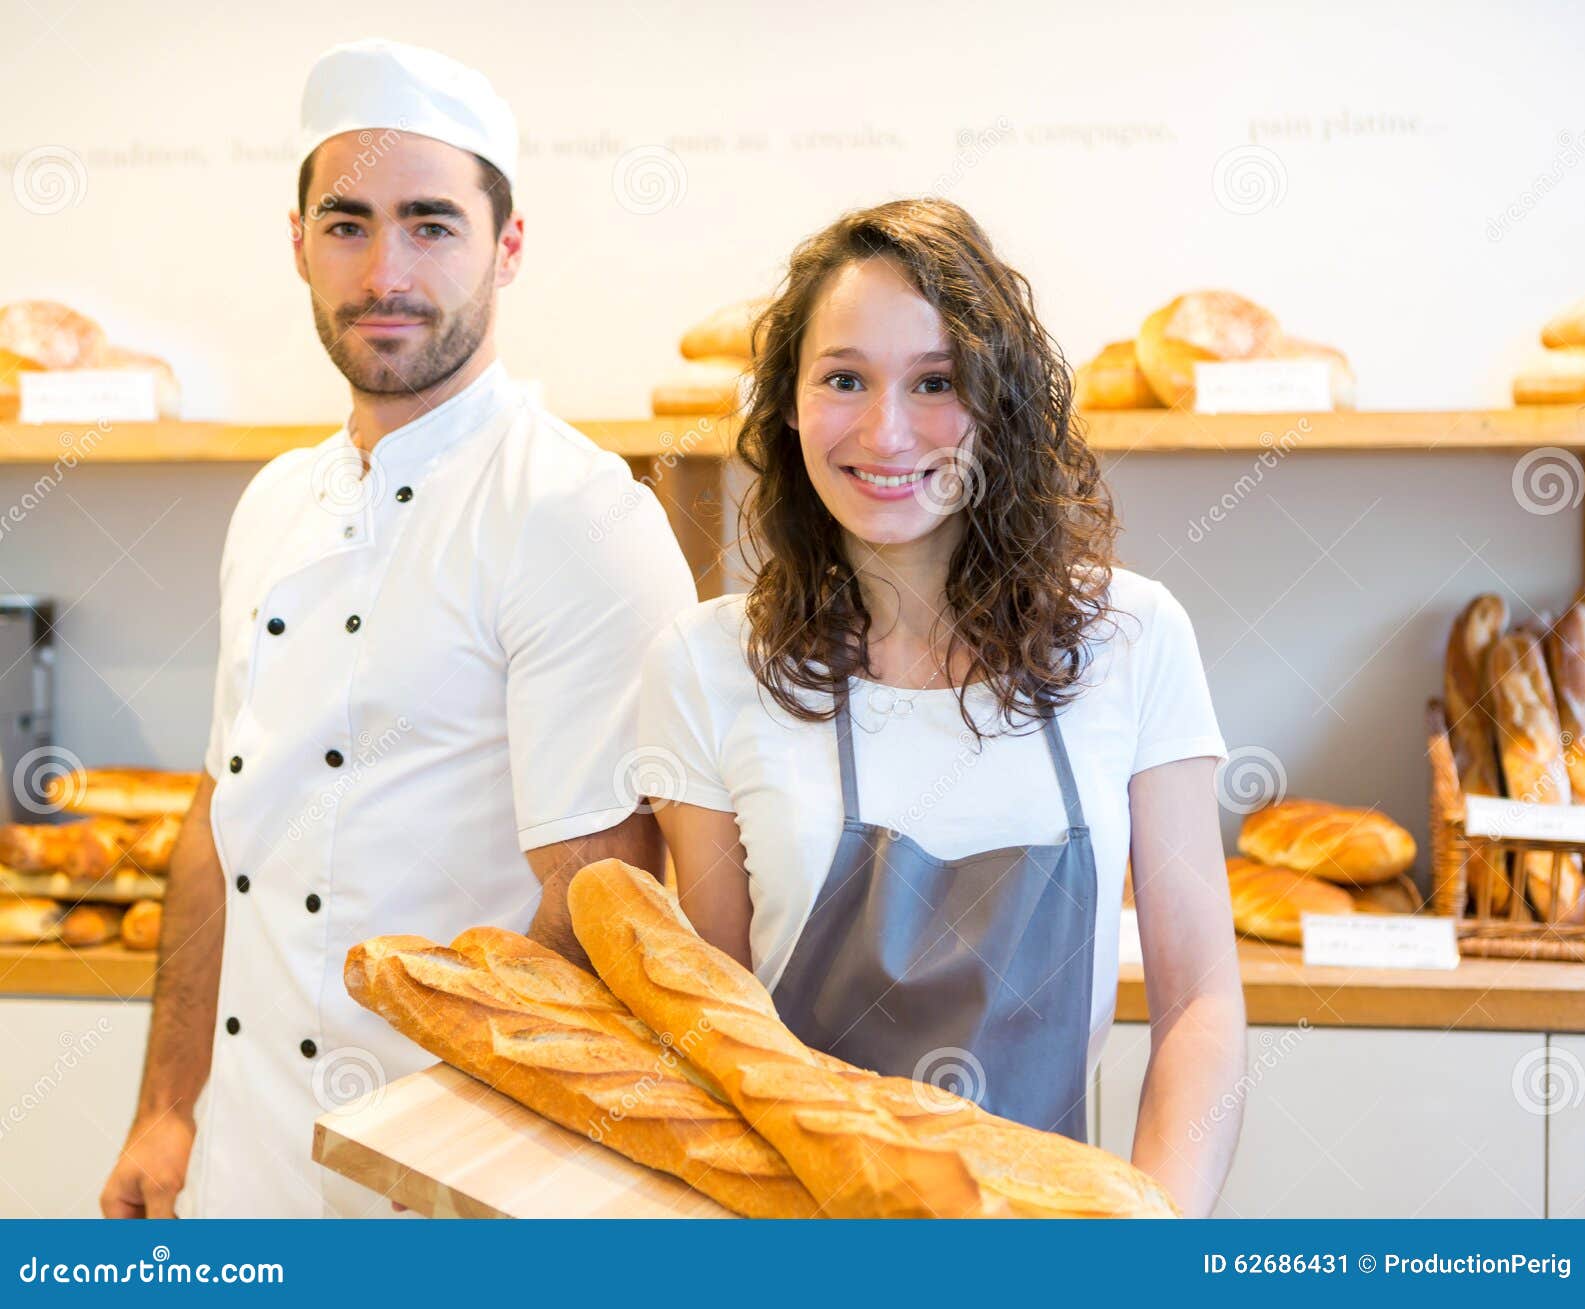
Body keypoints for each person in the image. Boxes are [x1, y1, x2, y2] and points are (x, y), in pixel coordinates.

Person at [100, 38, 695, 1219]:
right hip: (243, 1165)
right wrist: (168, 1108)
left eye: (431, 224)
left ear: (506, 247)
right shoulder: (272, 503)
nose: (386, 271)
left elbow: (600, 898)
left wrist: (447, 1163)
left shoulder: (579, 515)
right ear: (298, 243)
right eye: (348, 223)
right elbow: (221, 832)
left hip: (452, 1187)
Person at [634, 198, 1247, 1215]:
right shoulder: (704, 665)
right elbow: (715, 1027)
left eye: (936, 382)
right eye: (842, 379)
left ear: (999, 400)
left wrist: (1157, 1242)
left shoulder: (1132, 639)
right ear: (787, 404)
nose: (886, 430)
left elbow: (1198, 1004)